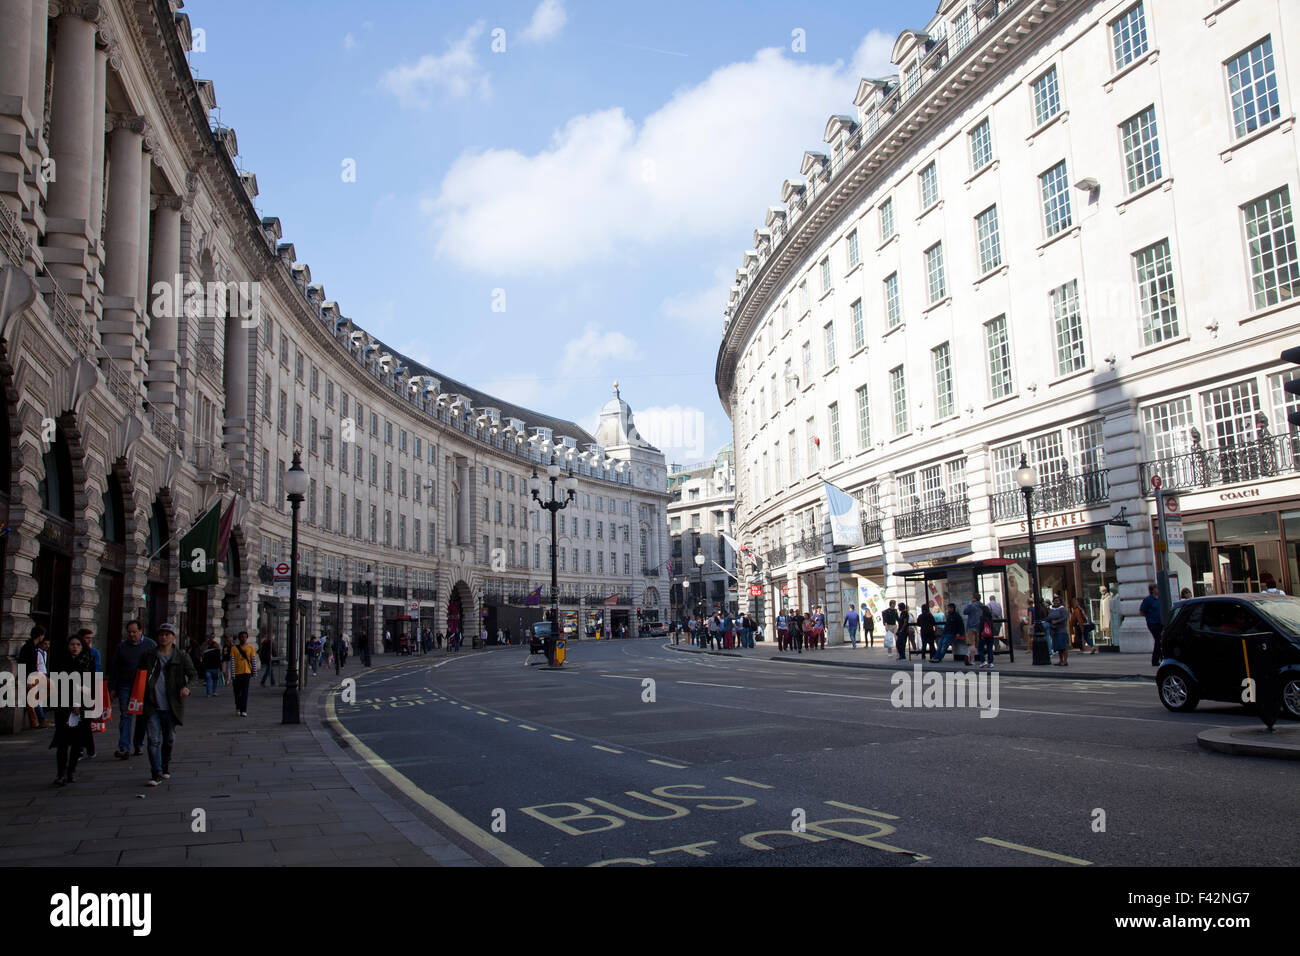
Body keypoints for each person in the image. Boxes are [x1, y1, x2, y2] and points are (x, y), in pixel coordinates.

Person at [137, 622, 197, 786]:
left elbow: (193, 675)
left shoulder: (181, 656)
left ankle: (165, 765)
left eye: (167, 634)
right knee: (153, 740)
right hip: (151, 704)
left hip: (172, 705)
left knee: (169, 739)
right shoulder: (148, 655)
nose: (163, 637)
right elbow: (139, 677)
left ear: (173, 637)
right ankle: (155, 772)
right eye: (161, 634)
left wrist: (187, 688)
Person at [49, 632, 96, 786]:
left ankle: (71, 771)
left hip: (82, 705)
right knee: (62, 740)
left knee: (77, 741)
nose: (75, 647)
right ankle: (60, 773)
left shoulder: (88, 660)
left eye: (78, 645)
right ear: (67, 646)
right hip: (64, 704)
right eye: (72, 644)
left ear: (82, 647)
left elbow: (90, 684)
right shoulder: (61, 661)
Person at [109, 620, 154, 759]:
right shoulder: (122, 647)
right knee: (125, 715)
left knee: (141, 717)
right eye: (129, 632)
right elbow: (115, 668)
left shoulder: (150, 645)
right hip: (125, 685)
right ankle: (124, 747)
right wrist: (112, 687)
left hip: (143, 686)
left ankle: (138, 744)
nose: (132, 634)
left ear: (141, 631)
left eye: (134, 632)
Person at [18, 626, 51, 729]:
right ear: (40, 636)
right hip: (30, 677)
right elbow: (23, 664)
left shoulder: (34, 647)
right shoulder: (28, 647)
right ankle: (37, 721)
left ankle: (39, 720)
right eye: (43, 635)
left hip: (35, 676)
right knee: (31, 700)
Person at [230, 631, 256, 716]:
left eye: (245, 637)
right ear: (239, 638)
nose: (243, 638)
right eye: (242, 637)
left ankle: (244, 709)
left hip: (246, 672)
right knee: (237, 691)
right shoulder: (234, 648)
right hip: (237, 673)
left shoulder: (250, 648)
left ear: (247, 638)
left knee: (245, 691)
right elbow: (232, 662)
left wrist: (254, 672)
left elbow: (253, 660)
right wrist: (232, 674)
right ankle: (238, 706)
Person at [1139, 584, 1163, 667]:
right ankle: (1156, 659)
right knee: (1158, 639)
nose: (1158, 590)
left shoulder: (1160, 598)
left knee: (1160, 641)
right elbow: (1142, 611)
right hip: (1153, 623)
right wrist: (1149, 617)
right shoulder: (1148, 599)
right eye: (1156, 588)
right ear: (1152, 590)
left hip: (1161, 622)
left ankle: (1158, 659)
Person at [1047, 594, 1071, 666]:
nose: (1056, 602)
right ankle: (1060, 660)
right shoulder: (1052, 610)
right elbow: (1049, 617)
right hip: (1054, 631)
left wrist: (1057, 621)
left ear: (1060, 602)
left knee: (1064, 646)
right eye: (1054, 601)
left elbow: (1065, 617)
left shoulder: (1063, 609)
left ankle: (1065, 661)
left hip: (1062, 630)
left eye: (1057, 601)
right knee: (1058, 647)